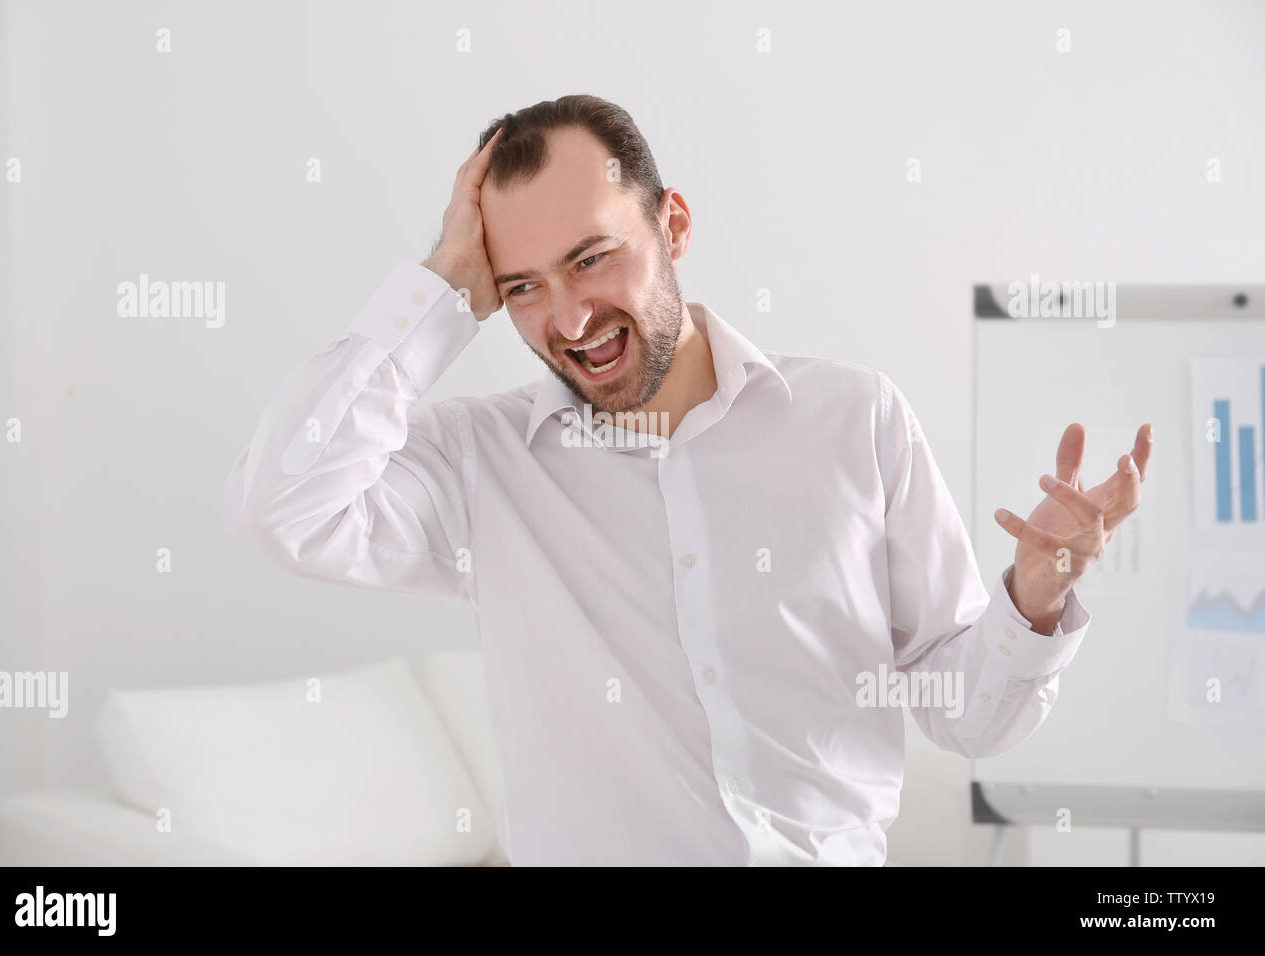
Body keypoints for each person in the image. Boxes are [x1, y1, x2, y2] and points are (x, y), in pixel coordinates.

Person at [224, 94, 1153, 866]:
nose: (571, 316)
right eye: (523, 288)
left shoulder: (854, 420)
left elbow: (967, 720)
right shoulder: (483, 465)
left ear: (673, 224)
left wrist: (1033, 598)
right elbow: (283, 508)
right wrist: (444, 284)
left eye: (592, 259)